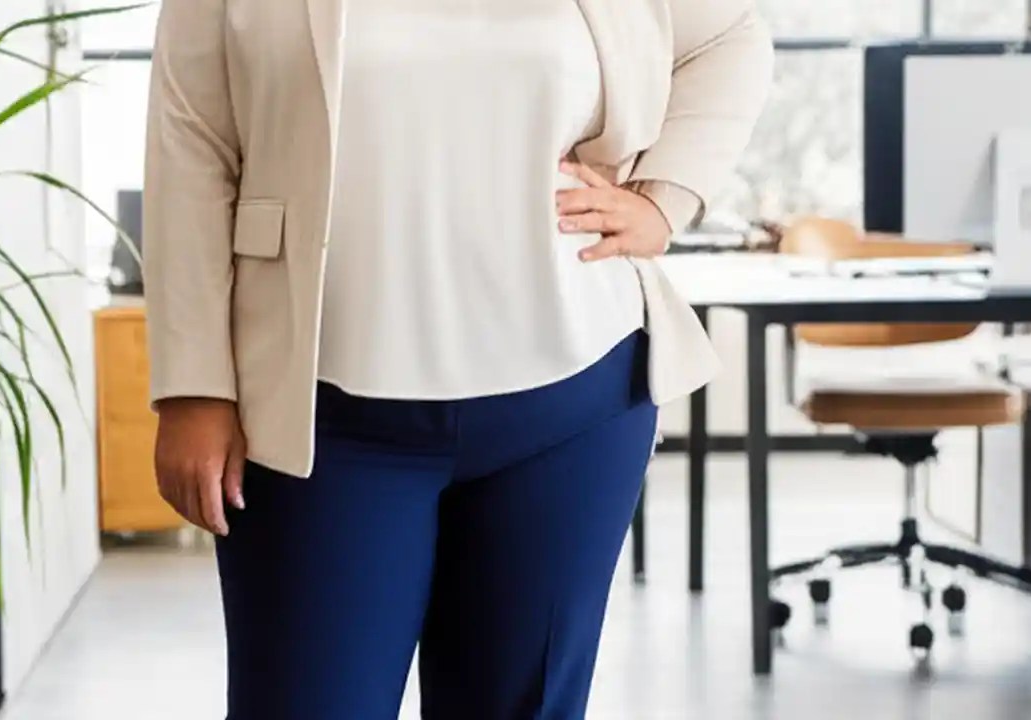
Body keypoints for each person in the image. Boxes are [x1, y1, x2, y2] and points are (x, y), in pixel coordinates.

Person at [143, 1, 772, 717]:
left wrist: (665, 199)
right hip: (318, 421)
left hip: (571, 406)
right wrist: (192, 387)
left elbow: (731, 37)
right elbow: (190, 145)